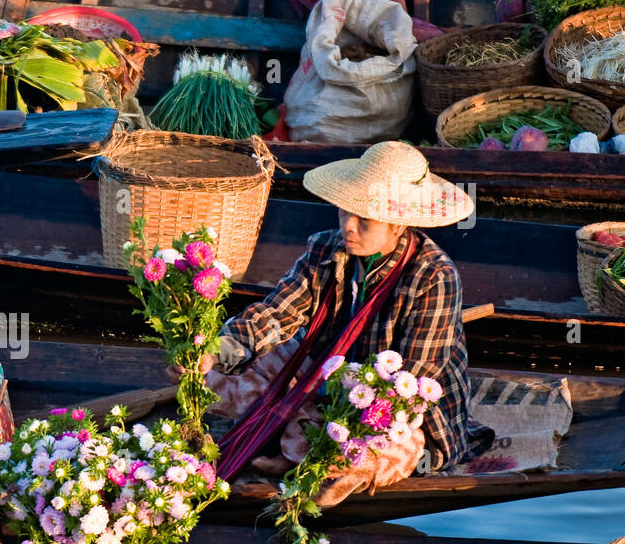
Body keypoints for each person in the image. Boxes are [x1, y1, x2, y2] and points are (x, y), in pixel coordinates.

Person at [184, 141, 493, 503]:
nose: (349, 227)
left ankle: (302, 451)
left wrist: (341, 427)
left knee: (388, 448)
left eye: (364, 220)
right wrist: (219, 349)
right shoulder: (324, 249)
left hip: (391, 400)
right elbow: (279, 312)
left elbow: (412, 379)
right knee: (240, 368)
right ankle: (297, 442)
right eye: (344, 213)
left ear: (398, 225)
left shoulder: (434, 275)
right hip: (329, 371)